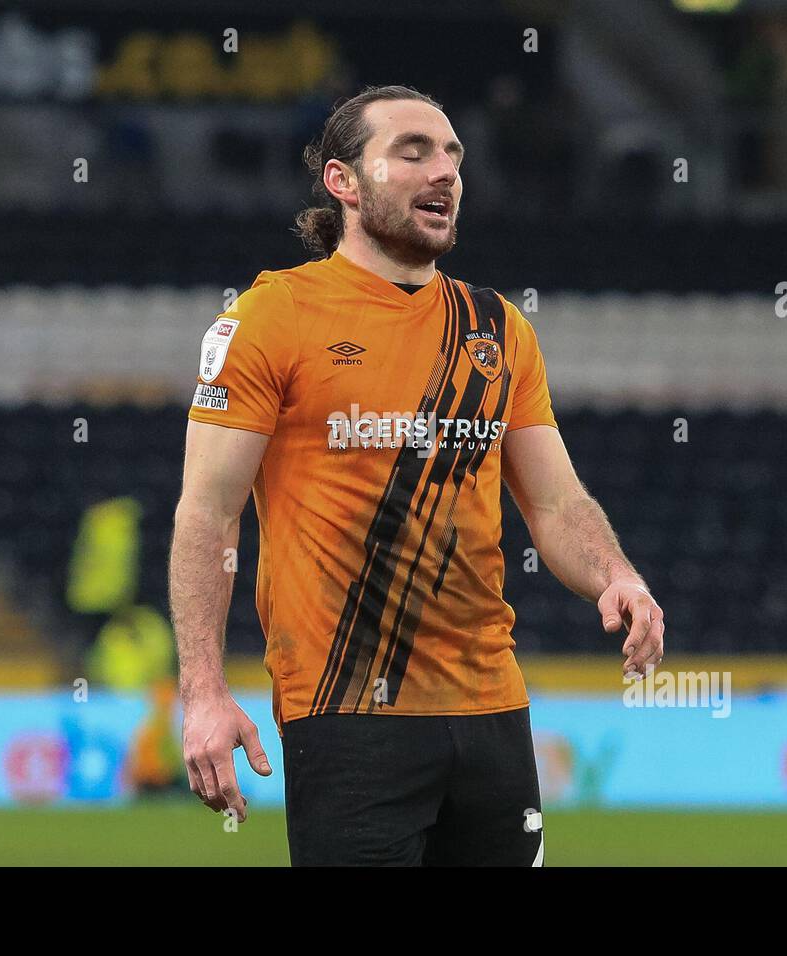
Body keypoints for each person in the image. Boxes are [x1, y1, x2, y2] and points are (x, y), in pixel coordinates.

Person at [169, 85, 664, 866]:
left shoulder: (496, 328)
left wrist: (617, 575)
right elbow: (207, 513)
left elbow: (557, 501)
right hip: (346, 710)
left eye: (454, 156)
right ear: (343, 181)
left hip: (492, 708)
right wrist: (201, 691)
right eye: (414, 152)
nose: (445, 172)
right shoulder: (273, 317)